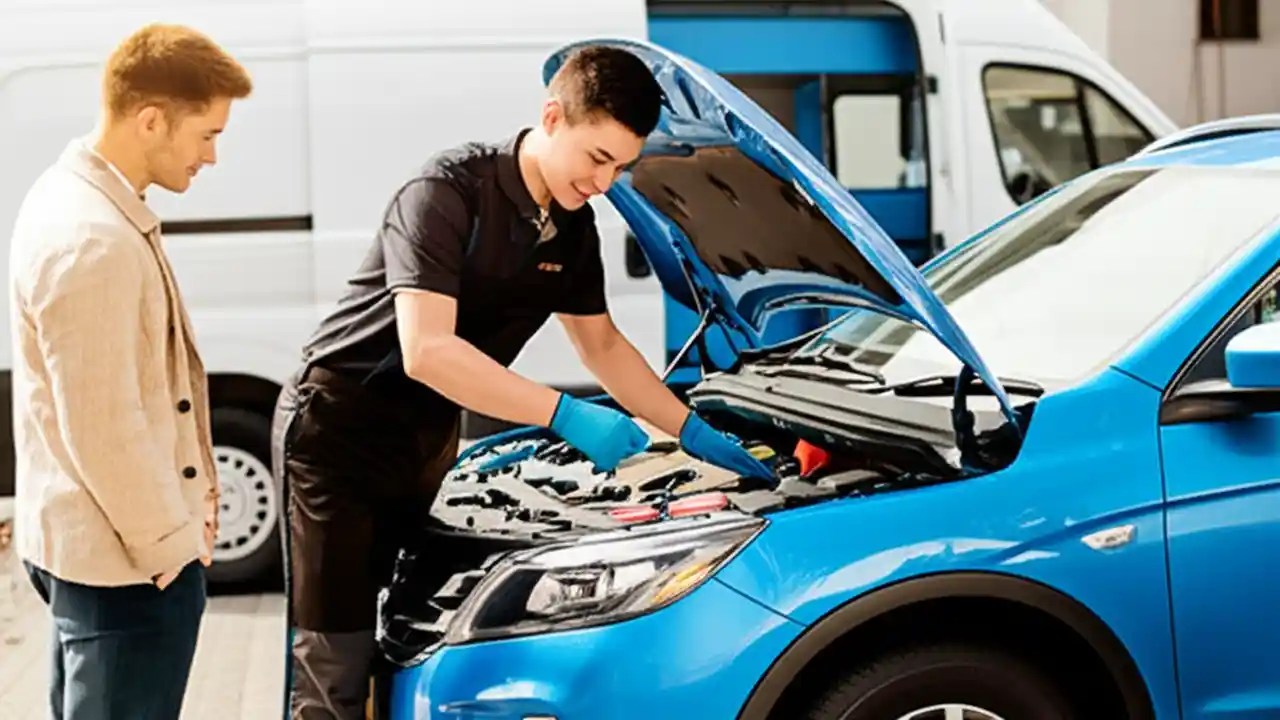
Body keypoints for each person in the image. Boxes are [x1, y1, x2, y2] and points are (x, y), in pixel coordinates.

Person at [271, 44, 772, 718]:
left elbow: (601, 344)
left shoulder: (573, 229)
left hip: (426, 434)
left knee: (402, 635)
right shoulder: (446, 191)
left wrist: (687, 429)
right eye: (598, 158)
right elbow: (428, 351)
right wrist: (565, 414)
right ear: (553, 117)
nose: (605, 182)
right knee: (332, 654)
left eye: (621, 167)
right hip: (338, 431)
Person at [8, 24, 252, 719]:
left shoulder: (72, 199)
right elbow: (101, 424)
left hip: (102, 553)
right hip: (125, 569)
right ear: (150, 120)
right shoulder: (92, 239)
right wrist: (168, 549)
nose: (212, 156)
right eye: (206, 134)